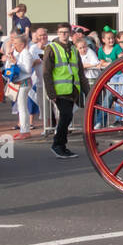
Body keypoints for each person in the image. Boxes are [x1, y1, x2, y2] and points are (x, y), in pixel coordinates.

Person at [42, 24, 89, 159]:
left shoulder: (74, 49)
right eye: (61, 32)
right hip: (59, 91)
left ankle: (61, 145)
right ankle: (58, 145)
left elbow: (80, 72)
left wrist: (88, 92)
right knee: (66, 115)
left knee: (67, 117)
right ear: (57, 33)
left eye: (66, 32)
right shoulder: (51, 48)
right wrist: (51, 93)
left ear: (70, 34)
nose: (63, 34)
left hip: (72, 90)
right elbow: (46, 72)